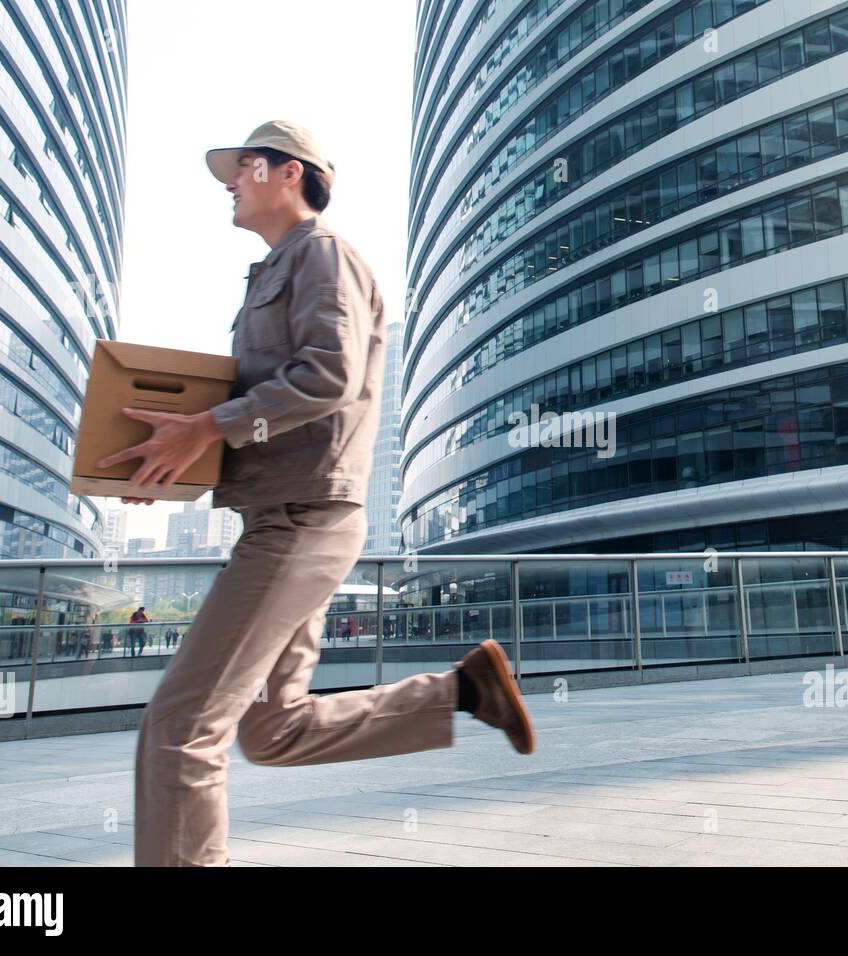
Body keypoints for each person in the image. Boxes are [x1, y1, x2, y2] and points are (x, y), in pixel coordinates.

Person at [97, 121, 535, 867]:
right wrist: (169, 460)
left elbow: (328, 376)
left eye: (241, 169)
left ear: (287, 172)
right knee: (274, 730)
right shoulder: (269, 274)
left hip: (304, 522)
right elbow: (268, 411)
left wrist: (202, 426)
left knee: (181, 725)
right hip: (280, 516)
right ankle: (464, 692)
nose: (229, 184)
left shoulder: (321, 254)